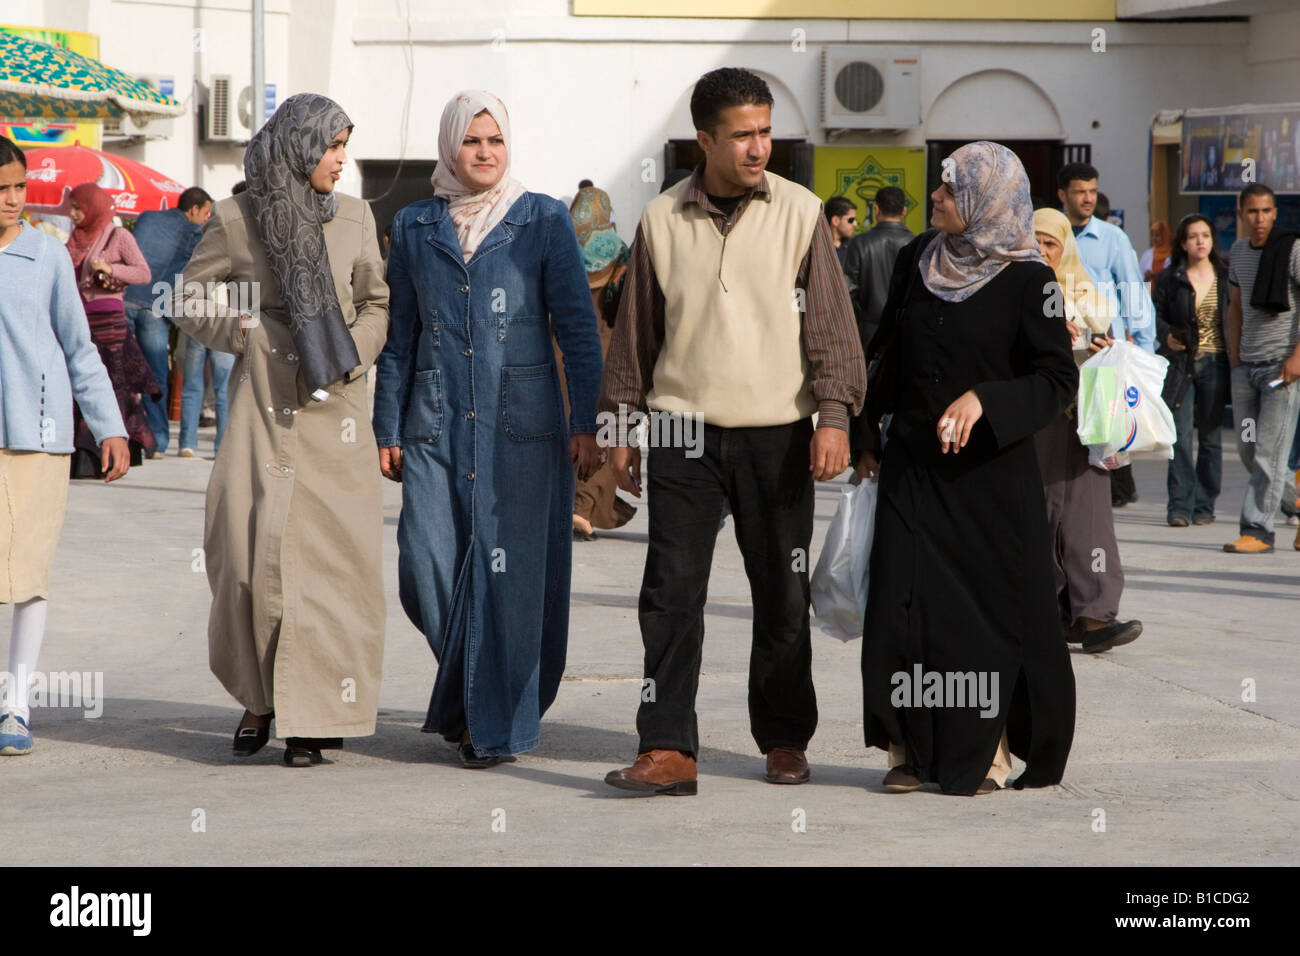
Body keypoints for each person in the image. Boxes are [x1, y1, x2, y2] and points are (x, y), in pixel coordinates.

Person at [601, 68, 865, 796]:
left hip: (777, 431)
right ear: (705, 140)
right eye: (742, 134)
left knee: (781, 592)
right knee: (670, 593)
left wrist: (834, 417)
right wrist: (619, 429)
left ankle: (784, 738)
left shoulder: (802, 211)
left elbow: (833, 330)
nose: (758, 148)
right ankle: (667, 748)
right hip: (682, 429)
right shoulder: (659, 219)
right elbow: (634, 338)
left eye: (765, 131)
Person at [373, 90, 603, 769]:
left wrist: (587, 421)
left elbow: (578, 330)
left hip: (524, 426)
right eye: (472, 141)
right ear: (449, 147)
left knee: (512, 577)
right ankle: (477, 696)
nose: (484, 153)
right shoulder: (415, 224)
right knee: (426, 566)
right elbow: (399, 337)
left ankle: (488, 719)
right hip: (433, 421)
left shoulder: (543, 220)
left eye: (495, 141)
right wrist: (387, 422)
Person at [851, 142, 1078, 796]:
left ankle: (988, 757)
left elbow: (1056, 377)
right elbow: (886, 355)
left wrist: (987, 398)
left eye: (948, 192)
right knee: (903, 607)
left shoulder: (1028, 280)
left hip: (990, 480)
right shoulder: (914, 260)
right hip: (914, 470)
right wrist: (866, 434)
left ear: (985, 200)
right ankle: (906, 751)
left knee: (984, 618)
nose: (936, 201)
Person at [172, 93, 390, 766]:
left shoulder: (356, 217)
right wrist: (241, 330)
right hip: (262, 407)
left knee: (331, 568)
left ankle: (312, 718)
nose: (340, 160)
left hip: (338, 411)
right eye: (330, 147)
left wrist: (351, 348)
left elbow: (378, 300)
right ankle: (259, 698)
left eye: (344, 146)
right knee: (244, 553)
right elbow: (186, 296)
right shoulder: (238, 219)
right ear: (297, 147)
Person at [0, 136, 130, 756]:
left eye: (19, 189)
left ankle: (15, 706)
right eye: (1, 191)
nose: (12, 201)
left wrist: (110, 426)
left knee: (28, 576)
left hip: (40, 438)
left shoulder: (47, 257)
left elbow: (80, 348)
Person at [1032, 207, 1142, 652]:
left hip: (1086, 419)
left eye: (1050, 243)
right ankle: (1053, 615)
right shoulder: (1011, 291)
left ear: (1066, 248)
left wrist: (1103, 347)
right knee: (1038, 517)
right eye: (1033, 241)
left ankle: (1096, 618)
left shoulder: (1087, 293)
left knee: (1090, 520)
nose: (1041, 250)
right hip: (1036, 420)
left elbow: (1108, 346)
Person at [1057, 162, 1154, 507]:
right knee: (1061, 429)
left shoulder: (1113, 238)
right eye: (1080, 191)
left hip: (1103, 349)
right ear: (1062, 195)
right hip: (1059, 347)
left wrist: (1144, 349)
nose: (1087, 198)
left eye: (1092, 191)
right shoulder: (1049, 236)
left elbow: (1133, 292)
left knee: (1105, 429)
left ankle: (1104, 499)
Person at [1222, 183, 1300, 553]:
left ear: (1275, 213)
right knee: (1249, 450)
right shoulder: (1237, 251)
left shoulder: (1293, 249)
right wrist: (1234, 352)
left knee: (1269, 453)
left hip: (1280, 369)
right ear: (1241, 215)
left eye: (1266, 211)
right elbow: (1235, 304)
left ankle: (1258, 530)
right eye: (1252, 212)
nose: (1260, 219)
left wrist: (1297, 357)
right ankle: (1295, 502)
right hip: (1245, 368)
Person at [64, 183, 159, 477]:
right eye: (73, 207)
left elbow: (143, 273)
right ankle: (83, 458)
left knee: (113, 390)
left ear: (93, 207)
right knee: (79, 390)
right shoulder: (73, 239)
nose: (74, 213)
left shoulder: (119, 235)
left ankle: (113, 456)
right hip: (81, 322)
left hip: (111, 326)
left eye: (79, 208)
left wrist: (110, 268)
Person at [566, 184, 635, 540]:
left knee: (573, 424)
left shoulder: (564, 245)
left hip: (563, 347)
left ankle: (573, 504)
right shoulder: (619, 250)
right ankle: (583, 504)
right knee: (609, 427)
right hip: (609, 346)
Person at [123, 186, 214, 457]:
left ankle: (124, 436)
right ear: (193, 209)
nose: (207, 218)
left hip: (125, 298)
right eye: (206, 212)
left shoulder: (148, 217)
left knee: (120, 373)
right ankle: (158, 442)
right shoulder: (195, 233)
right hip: (153, 306)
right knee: (155, 375)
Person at [1154, 214, 1231, 527]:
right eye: (1193, 236)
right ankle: (1180, 506)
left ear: (1212, 241)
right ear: (1183, 243)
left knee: (1211, 438)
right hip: (1181, 364)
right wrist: (1167, 335)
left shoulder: (1226, 275)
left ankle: (1204, 506)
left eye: (1206, 235)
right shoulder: (1171, 277)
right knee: (1180, 436)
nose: (1200, 241)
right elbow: (1155, 314)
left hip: (1216, 363)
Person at [843, 184, 913, 350]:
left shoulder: (859, 243)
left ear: (876, 209)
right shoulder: (915, 243)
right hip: (904, 330)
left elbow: (849, 289)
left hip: (868, 330)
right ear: (904, 211)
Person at [824, 195, 856, 266]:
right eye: (851, 220)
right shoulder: (818, 247)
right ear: (835, 220)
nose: (855, 224)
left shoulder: (854, 247)